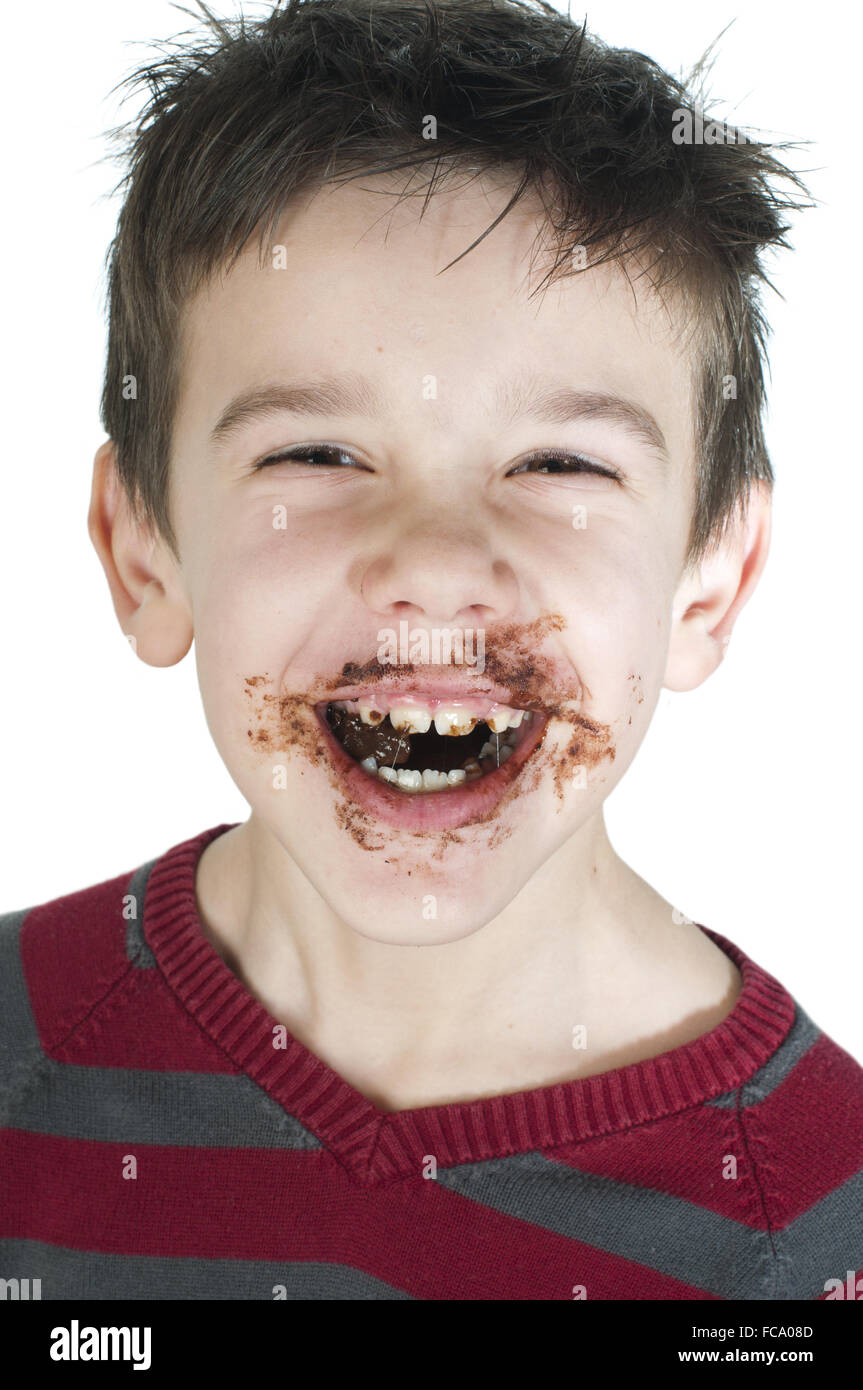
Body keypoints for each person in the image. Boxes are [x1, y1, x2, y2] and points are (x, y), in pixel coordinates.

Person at [2, 0, 861, 1301]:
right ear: (142, 553)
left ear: (708, 583)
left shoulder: (823, 1223)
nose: (437, 561)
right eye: (317, 454)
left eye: (560, 463)